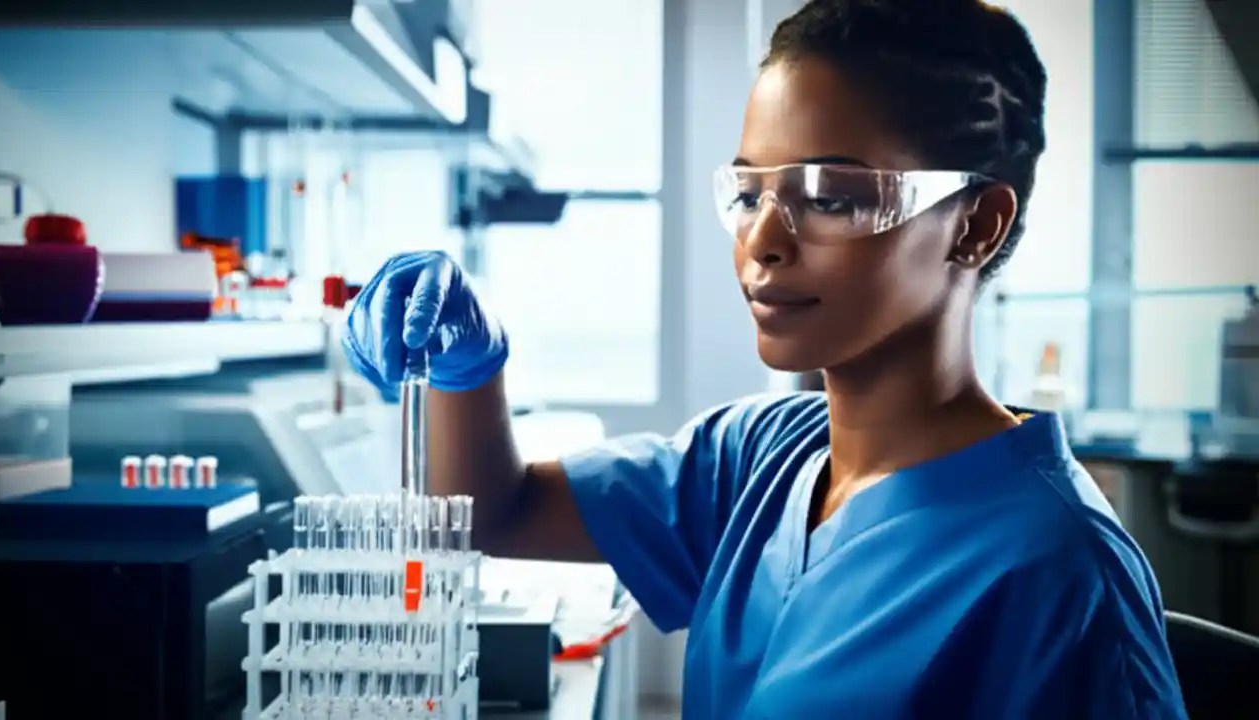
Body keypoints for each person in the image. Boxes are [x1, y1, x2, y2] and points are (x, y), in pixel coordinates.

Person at [343, 0, 1188, 716]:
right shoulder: (763, 457)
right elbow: (499, 512)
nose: (763, 240)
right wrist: (470, 366)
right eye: (749, 193)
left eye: (830, 197)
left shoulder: (1062, 580)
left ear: (973, 225)